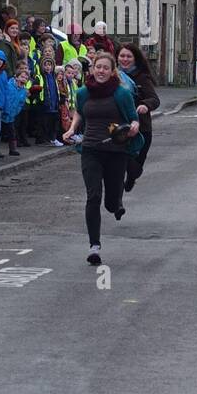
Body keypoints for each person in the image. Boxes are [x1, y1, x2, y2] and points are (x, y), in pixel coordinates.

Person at [63, 51, 143, 266]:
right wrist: (72, 129)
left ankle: (116, 204)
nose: (101, 71)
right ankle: (94, 246)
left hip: (116, 152)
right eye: (98, 67)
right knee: (93, 196)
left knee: (110, 202)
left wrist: (134, 127)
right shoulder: (83, 93)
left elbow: (133, 119)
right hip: (91, 149)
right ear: (92, 69)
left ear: (112, 70)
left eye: (106, 68)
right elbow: (79, 112)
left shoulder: (121, 94)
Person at [117, 43, 160, 191]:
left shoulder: (142, 78)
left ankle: (131, 178)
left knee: (136, 166)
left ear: (135, 59)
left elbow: (154, 99)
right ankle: (117, 199)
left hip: (142, 129)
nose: (125, 59)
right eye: (122, 56)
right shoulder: (112, 76)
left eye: (129, 56)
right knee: (119, 164)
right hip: (120, 128)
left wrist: (145, 105)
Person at [30, 44, 62, 144]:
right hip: (43, 104)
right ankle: (41, 139)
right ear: (42, 66)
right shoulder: (39, 77)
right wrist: (39, 100)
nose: (48, 67)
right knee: (42, 122)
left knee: (51, 122)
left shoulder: (54, 77)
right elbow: (35, 89)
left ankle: (49, 138)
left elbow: (55, 90)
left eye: (50, 65)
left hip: (53, 103)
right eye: (45, 65)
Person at [3, 64, 30, 157]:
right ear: (16, 77)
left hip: (11, 114)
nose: (24, 79)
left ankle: (13, 149)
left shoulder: (24, 91)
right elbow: (5, 98)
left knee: (12, 132)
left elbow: (20, 104)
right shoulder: (9, 85)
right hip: (3, 112)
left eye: (26, 78)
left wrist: (14, 113)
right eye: (22, 77)